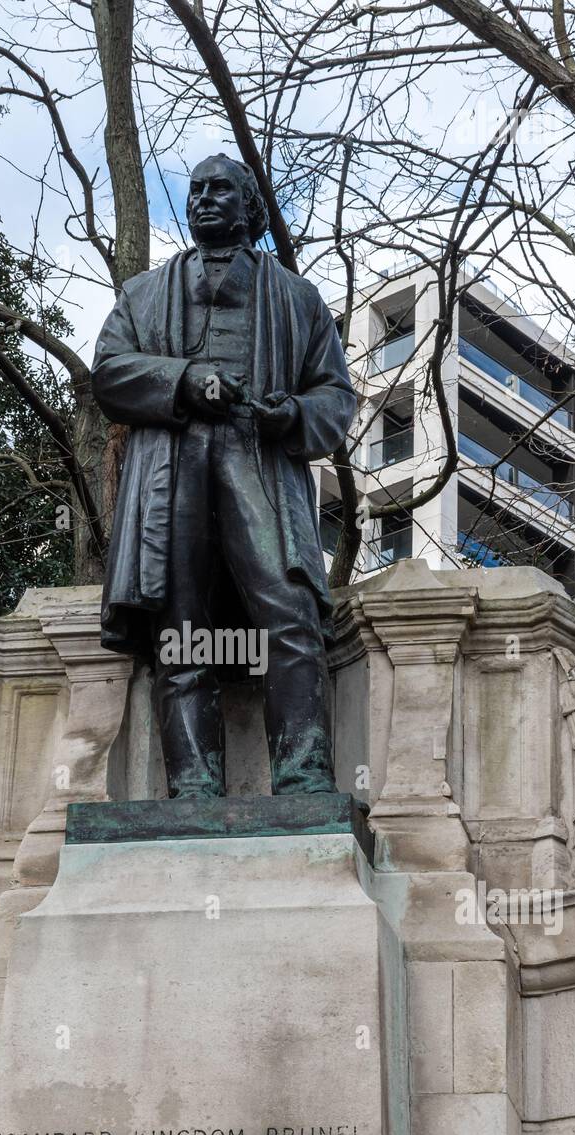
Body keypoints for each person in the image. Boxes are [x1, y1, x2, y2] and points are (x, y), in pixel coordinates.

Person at [92, 154, 356, 798]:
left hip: (259, 463)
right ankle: (193, 787)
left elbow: (335, 398)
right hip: (170, 475)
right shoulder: (144, 293)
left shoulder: (297, 298)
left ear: (251, 208)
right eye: (196, 190)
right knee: (180, 631)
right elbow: (109, 372)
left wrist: (290, 413)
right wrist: (183, 380)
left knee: (290, 611)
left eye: (220, 190)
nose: (205, 200)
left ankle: (303, 778)